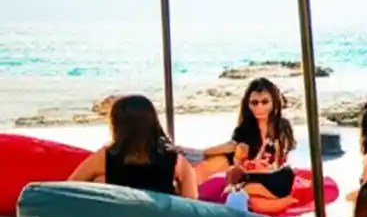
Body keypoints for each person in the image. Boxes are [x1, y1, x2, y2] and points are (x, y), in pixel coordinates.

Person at [69, 95, 198, 198]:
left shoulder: (106, 157)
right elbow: (192, 204)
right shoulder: (176, 160)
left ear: (117, 126)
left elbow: (68, 188)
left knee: (99, 181)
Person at [196, 78, 298, 207]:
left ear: (274, 102)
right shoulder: (245, 129)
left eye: (265, 102)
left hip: (274, 175)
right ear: (248, 105)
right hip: (249, 175)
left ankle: (283, 201)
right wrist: (198, 153)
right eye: (254, 103)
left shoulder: (282, 126)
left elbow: (281, 158)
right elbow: (233, 150)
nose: (259, 107)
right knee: (244, 196)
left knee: (245, 196)